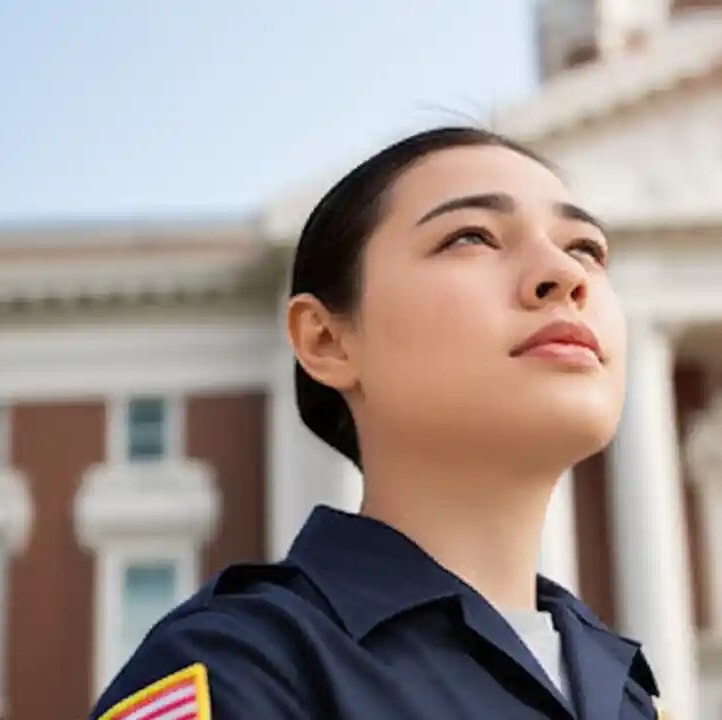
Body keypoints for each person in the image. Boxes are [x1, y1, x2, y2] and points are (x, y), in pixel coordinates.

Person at [89, 126, 666, 719]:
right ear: (327, 340)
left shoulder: (630, 695)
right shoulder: (241, 666)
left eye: (586, 250)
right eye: (472, 236)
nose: (565, 277)